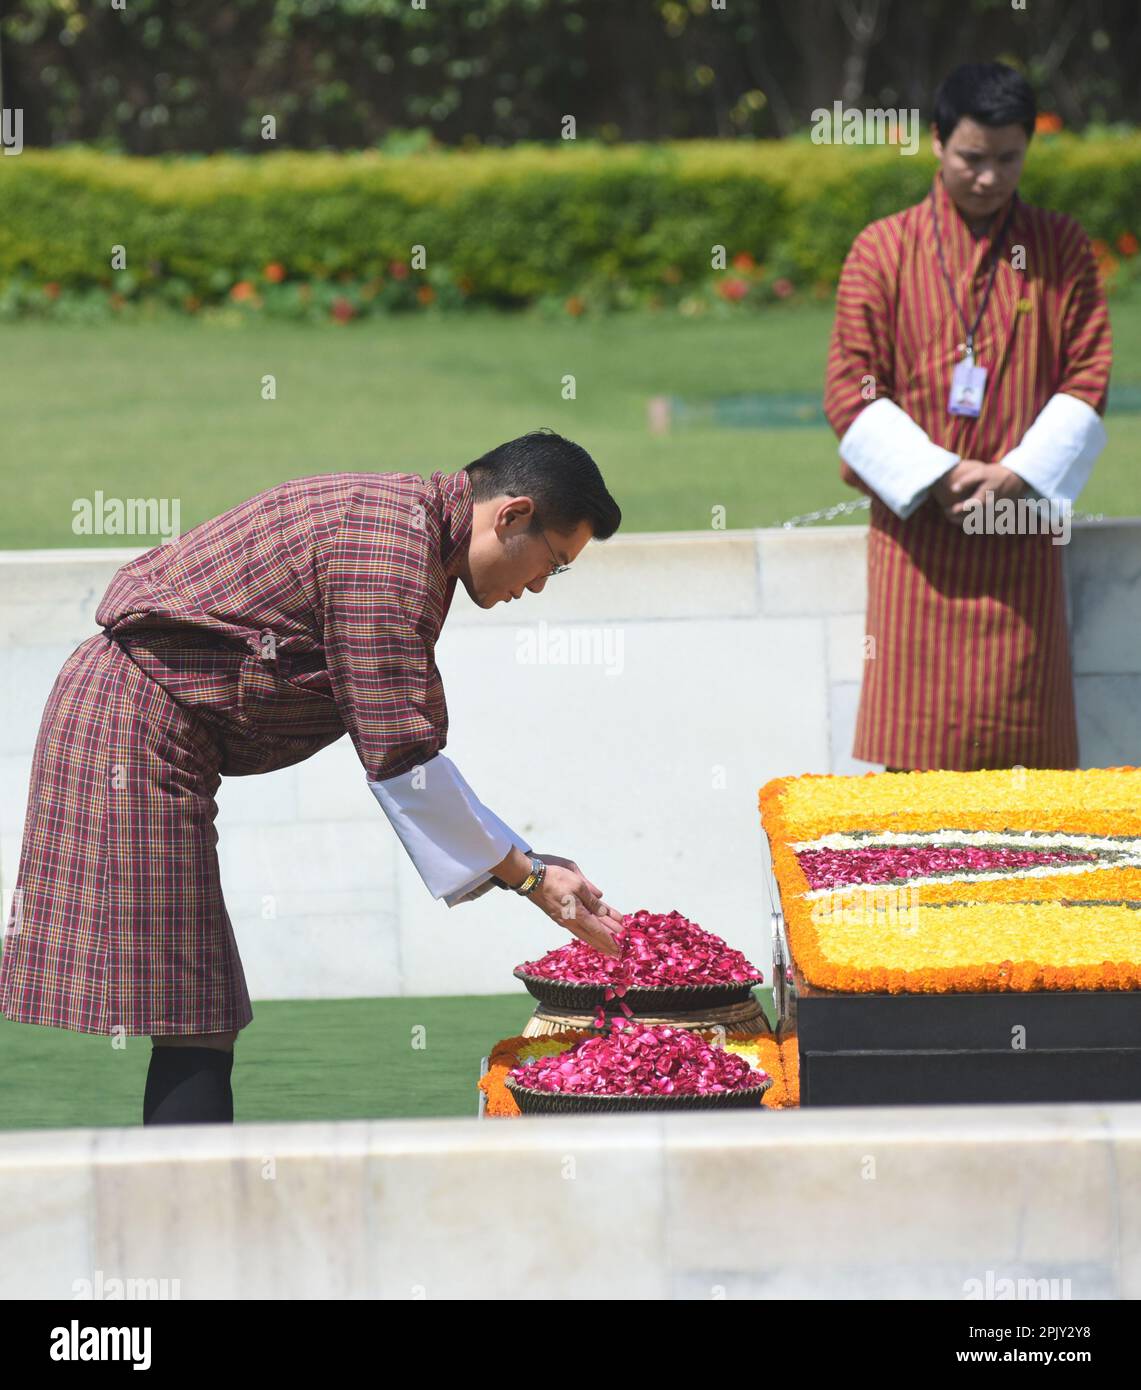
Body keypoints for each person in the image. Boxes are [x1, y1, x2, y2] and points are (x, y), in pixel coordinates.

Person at [0, 429, 624, 1124]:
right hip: (131, 726)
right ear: (511, 515)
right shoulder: (386, 545)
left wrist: (529, 866)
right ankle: (184, 1207)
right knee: (192, 1005)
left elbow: (403, 747)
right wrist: (531, 879)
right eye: (552, 563)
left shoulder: (404, 530)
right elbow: (399, 754)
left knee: (195, 1004)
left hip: (145, 721)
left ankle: (185, 1199)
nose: (537, 585)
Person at [824, 61, 1112, 771]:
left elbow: (1086, 375)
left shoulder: (1061, 248)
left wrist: (1014, 475)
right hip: (916, 538)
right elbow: (848, 388)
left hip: (1018, 531)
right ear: (936, 143)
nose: (987, 178)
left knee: (1028, 774)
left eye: (1007, 160)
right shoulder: (880, 250)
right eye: (970, 159)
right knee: (912, 764)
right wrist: (943, 475)